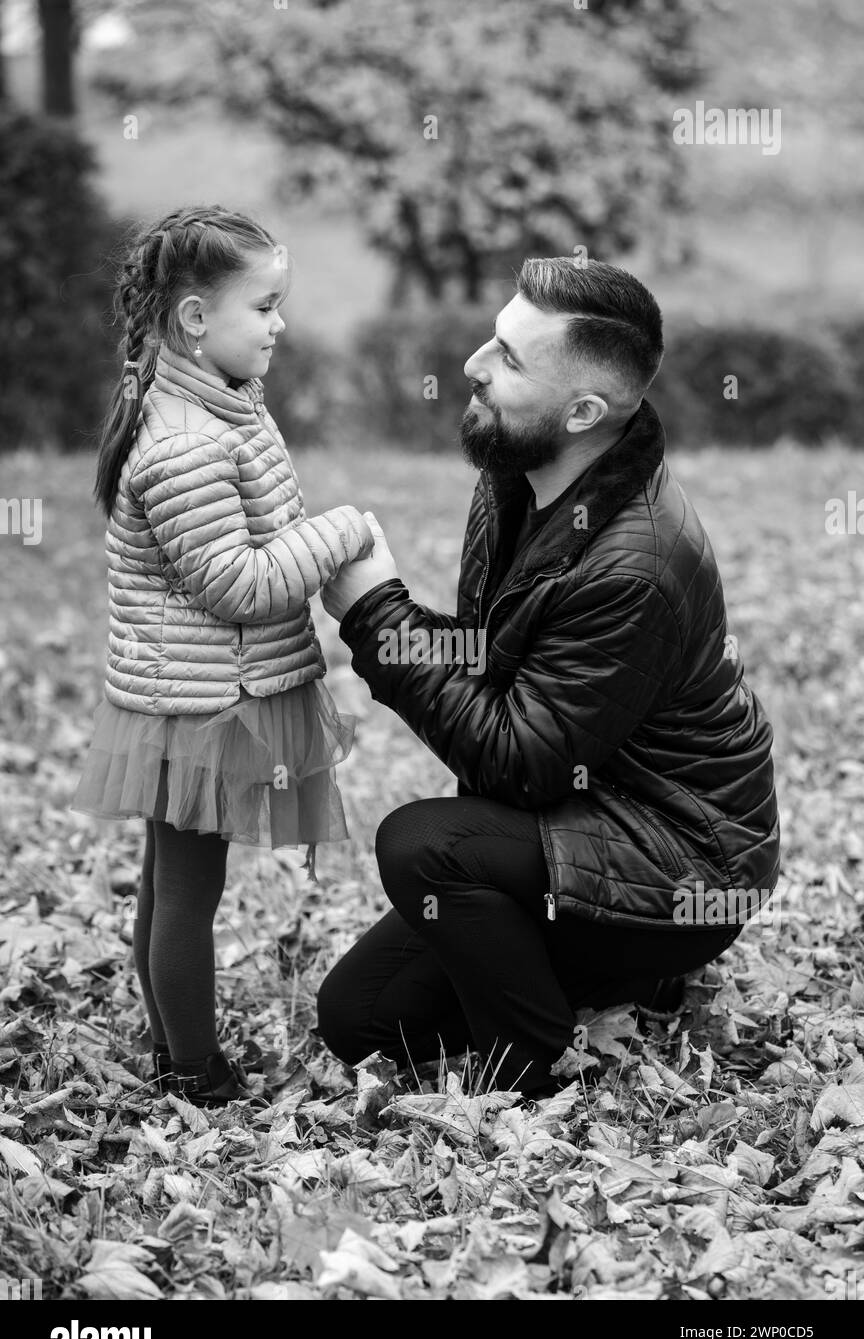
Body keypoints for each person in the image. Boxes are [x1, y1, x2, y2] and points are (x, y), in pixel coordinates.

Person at [315, 257, 781, 1101]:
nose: (473, 365)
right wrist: (390, 620)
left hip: (681, 859)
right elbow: (493, 666)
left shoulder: (636, 563)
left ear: (584, 411)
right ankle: (621, 981)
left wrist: (377, 616)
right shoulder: (517, 473)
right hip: (582, 814)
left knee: (423, 843)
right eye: (493, 338)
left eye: (509, 357)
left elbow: (520, 761)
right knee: (361, 1019)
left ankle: (534, 1068)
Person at [71, 205, 374, 1106]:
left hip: (197, 687)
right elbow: (237, 585)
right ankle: (193, 1070)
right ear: (196, 319)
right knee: (185, 897)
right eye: (266, 306)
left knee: (170, 886)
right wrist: (345, 533)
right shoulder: (186, 447)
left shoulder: (216, 404)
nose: (281, 325)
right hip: (201, 704)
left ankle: (173, 1045)